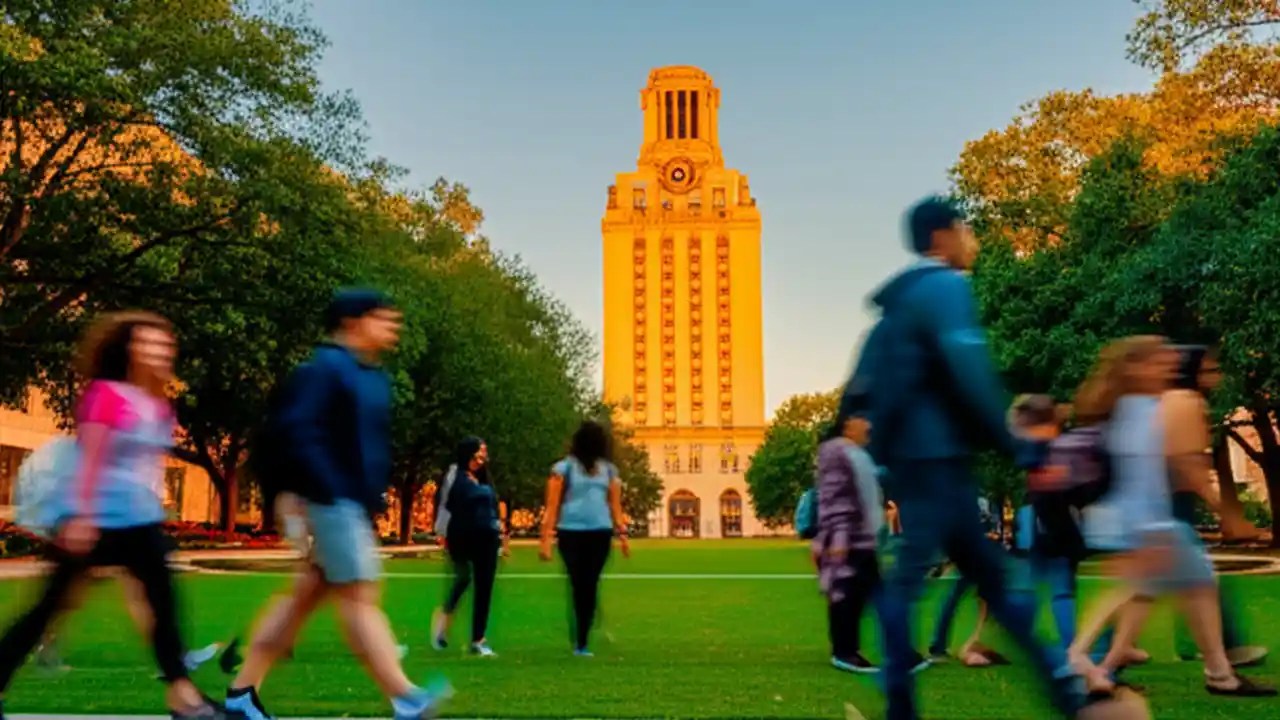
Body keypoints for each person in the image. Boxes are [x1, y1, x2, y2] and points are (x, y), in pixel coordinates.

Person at [843, 197, 1094, 720]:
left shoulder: (896, 305)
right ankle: (1065, 694)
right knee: (955, 584)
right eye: (965, 230)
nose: (971, 241)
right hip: (941, 462)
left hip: (912, 465)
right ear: (941, 238)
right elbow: (971, 374)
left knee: (972, 583)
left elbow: (859, 391)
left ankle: (1063, 692)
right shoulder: (944, 288)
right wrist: (1023, 449)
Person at [224, 289, 450, 720]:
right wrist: (305, 495)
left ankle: (241, 694)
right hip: (331, 500)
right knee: (360, 597)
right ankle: (405, 697)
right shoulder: (324, 369)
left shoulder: (369, 375)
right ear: (353, 322)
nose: (391, 327)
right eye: (382, 319)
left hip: (349, 503)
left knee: (301, 602)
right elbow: (296, 432)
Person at [0, 311, 226, 719]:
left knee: (164, 606)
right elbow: (90, 459)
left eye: (162, 343)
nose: (155, 350)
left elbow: (148, 466)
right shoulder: (106, 394)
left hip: (139, 521)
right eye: (145, 343)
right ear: (128, 350)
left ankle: (183, 696)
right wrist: (81, 516)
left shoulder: (159, 404)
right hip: (95, 520)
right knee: (43, 612)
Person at [1068, 337, 1273, 698]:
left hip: (1138, 519)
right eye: (1158, 362)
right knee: (1138, 593)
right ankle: (1085, 657)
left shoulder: (1134, 406)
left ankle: (1216, 672)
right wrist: (1228, 515)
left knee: (1190, 587)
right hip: (1146, 521)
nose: (1166, 368)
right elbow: (1184, 466)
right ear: (1135, 368)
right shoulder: (1171, 403)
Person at [1166, 346, 1266, 667]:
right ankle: (1228, 651)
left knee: (1156, 586)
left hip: (1168, 505)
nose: (1217, 376)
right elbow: (1189, 466)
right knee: (1197, 582)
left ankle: (1206, 648)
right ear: (1193, 373)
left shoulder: (1167, 402)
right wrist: (1226, 513)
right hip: (1172, 506)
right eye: (1210, 370)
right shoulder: (1188, 403)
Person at [814, 392, 925, 674]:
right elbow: (834, 498)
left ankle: (892, 651)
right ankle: (845, 651)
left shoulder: (854, 453)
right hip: (849, 540)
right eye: (864, 420)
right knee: (849, 597)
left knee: (869, 595)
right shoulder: (837, 452)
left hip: (860, 539)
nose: (869, 426)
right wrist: (838, 538)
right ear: (849, 423)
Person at [539, 421, 630, 656]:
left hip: (600, 532)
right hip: (571, 532)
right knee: (579, 584)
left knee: (589, 584)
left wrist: (622, 534)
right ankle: (581, 639)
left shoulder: (609, 470)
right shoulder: (563, 469)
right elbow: (552, 505)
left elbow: (615, 505)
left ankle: (582, 638)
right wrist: (546, 541)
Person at [431, 437, 502, 657]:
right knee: (462, 578)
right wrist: (442, 533)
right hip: (462, 536)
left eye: (484, 454)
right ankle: (443, 622)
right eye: (479, 453)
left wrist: (501, 533)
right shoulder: (457, 477)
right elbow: (446, 505)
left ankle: (478, 640)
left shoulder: (484, 480)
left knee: (484, 588)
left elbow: (495, 507)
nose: (482, 458)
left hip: (487, 538)